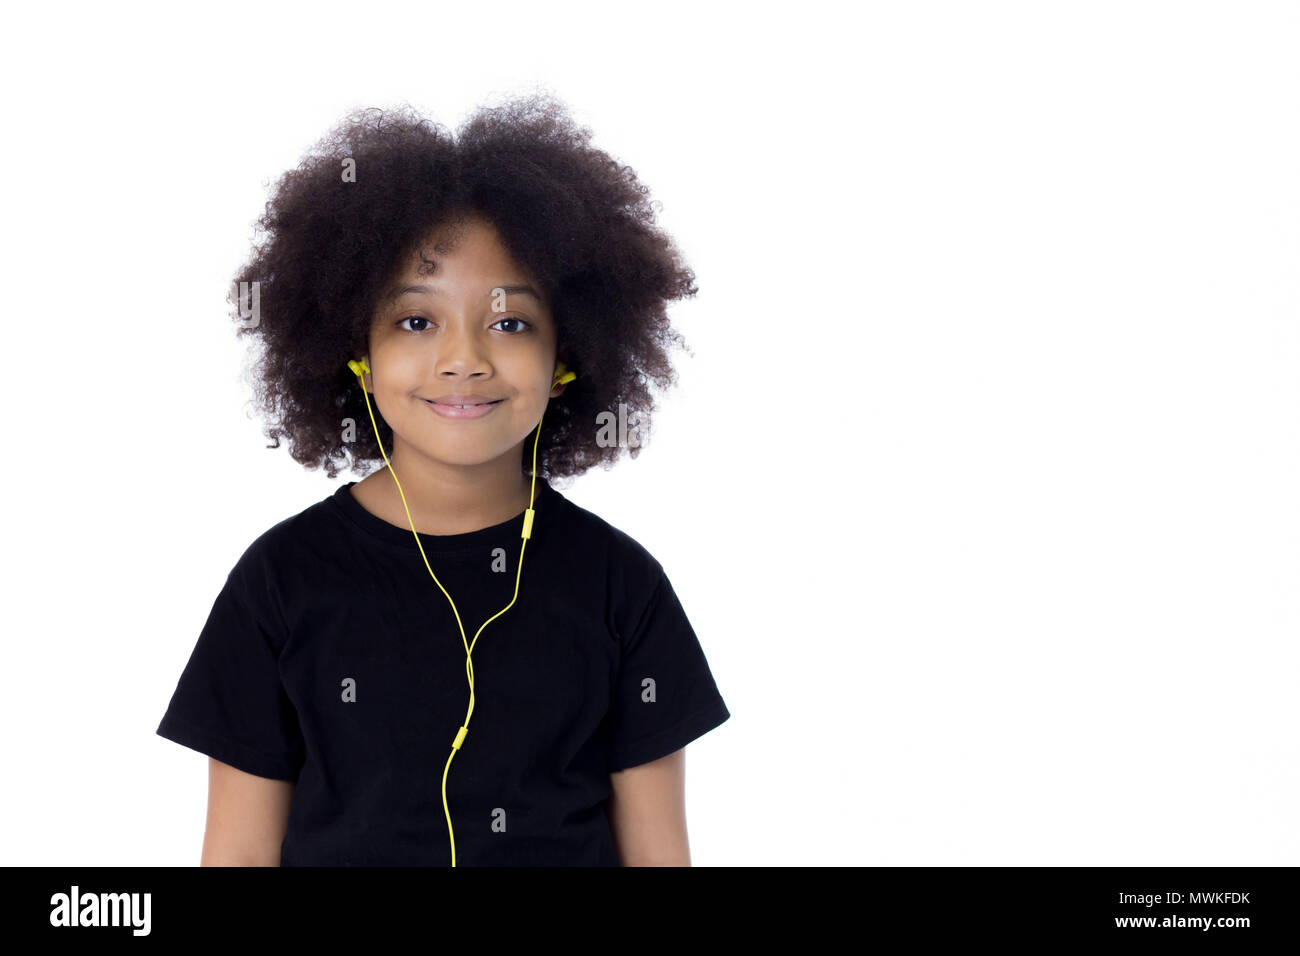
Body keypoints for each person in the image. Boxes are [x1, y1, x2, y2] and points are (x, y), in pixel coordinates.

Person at [155, 93, 730, 867]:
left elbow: (659, 855)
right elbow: (237, 855)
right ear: (354, 349)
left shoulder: (621, 587)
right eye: (417, 322)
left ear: (570, 354)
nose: (464, 359)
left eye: (510, 322)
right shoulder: (279, 585)